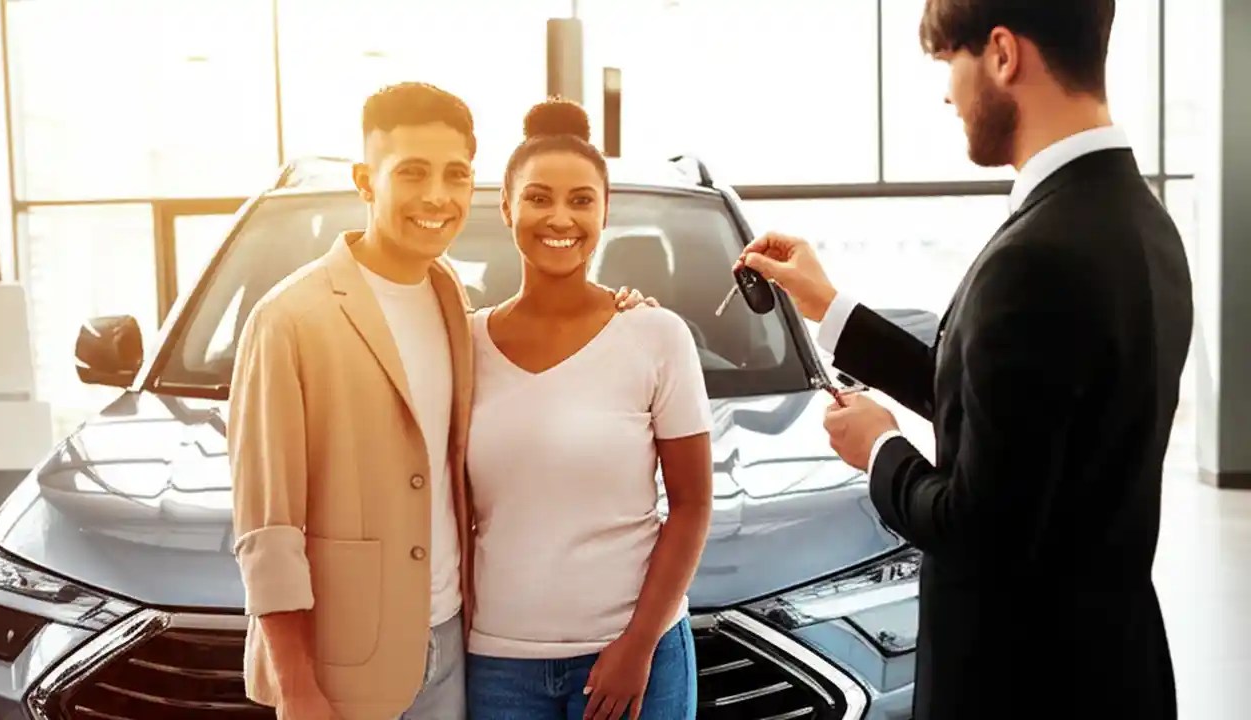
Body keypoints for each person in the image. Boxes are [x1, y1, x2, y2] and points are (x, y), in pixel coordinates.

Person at [736, 2, 1192, 719]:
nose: (948, 94)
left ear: (1003, 54)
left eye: (950, 60)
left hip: (1019, 681)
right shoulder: (1139, 220)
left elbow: (974, 527)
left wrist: (879, 448)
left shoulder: (1036, 257)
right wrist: (831, 307)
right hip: (1112, 665)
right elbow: (1014, 416)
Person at [229, 82, 651, 720]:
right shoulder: (289, 319)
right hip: (344, 661)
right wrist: (296, 688)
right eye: (412, 172)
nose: (436, 196)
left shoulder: (451, 297)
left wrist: (619, 314)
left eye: (455, 175)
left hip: (457, 642)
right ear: (365, 181)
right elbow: (268, 529)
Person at [463, 98, 713, 720]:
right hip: (498, 663)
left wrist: (638, 645)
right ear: (506, 207)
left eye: (581, 200)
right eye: (538, 197)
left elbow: (691, 504)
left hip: (634, 655)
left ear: (605, 211)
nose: (560, 218)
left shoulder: (656, 335)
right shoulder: (460, 343)